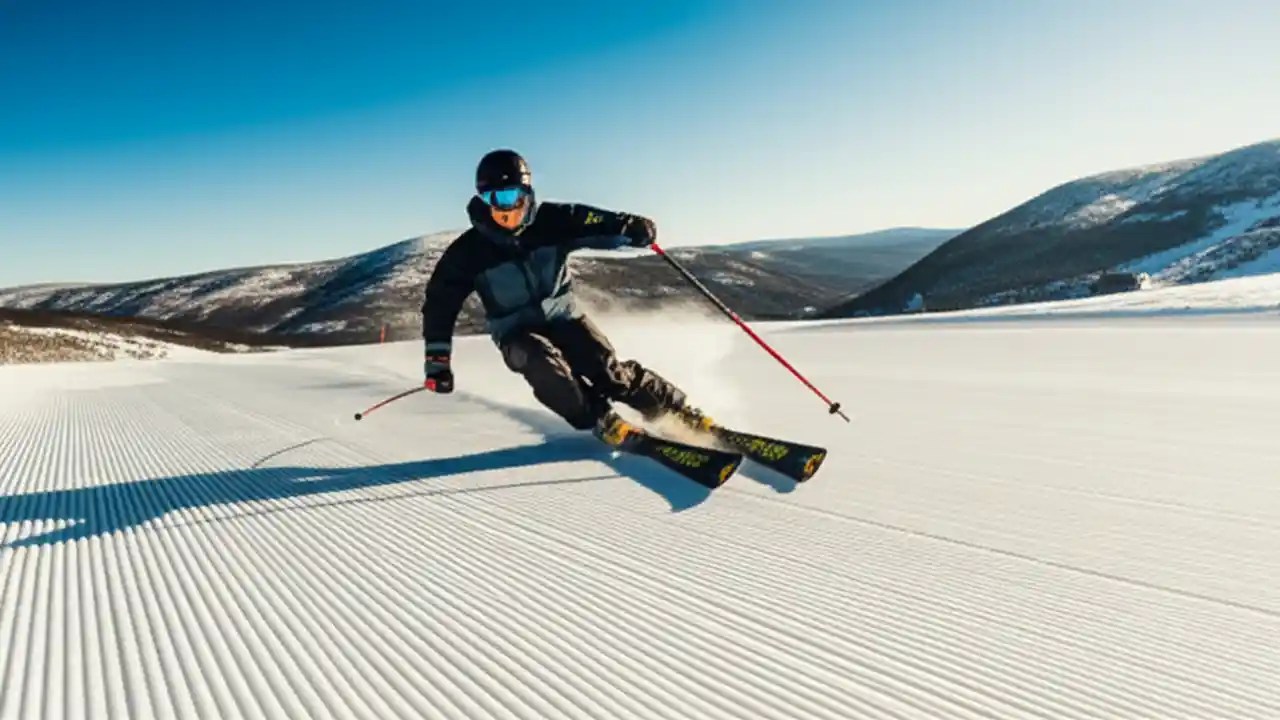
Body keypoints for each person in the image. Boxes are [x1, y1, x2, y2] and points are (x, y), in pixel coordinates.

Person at [419, 149, 711, 445]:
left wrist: (629, 226)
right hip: (515, 333)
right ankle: (602, 420)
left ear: (527, 193)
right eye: (495, 200)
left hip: (564, 318)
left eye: (511, 197)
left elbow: (593, 221)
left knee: (609, 373)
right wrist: (437, 362)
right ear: (482, 201)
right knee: (545, 368)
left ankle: (677, 413)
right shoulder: (468, 252)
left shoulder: (551, 222)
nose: (506, 210)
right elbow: (440, 305)